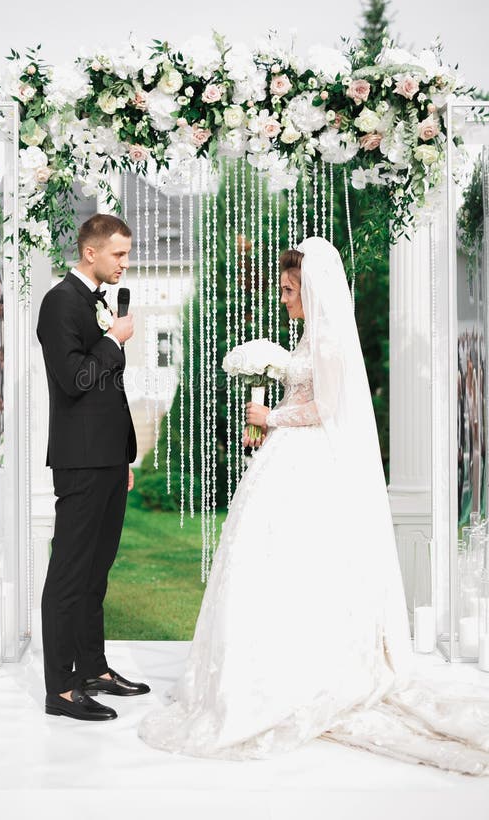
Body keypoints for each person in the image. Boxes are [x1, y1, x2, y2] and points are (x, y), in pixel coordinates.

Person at [139, 237, 489, 774]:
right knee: (268, 560)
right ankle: (258, 669)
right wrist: (272, 413)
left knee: (298, 560)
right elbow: (305, 396)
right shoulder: (309, 336)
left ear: (312, 289)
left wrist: (270, 418)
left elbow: (327, 407)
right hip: (288, 456)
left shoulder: (327, 341)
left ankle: (302, 671)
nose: (283, 298)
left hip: (310, 461)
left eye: (288, 290)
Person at [37, 213, 150, 722]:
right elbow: (75, 378)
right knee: (69, 573)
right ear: (90, 252)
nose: (125, 263)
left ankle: (93, 669)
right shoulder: (60, 302)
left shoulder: (96, 301)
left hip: (107, 459)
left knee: (96, 571)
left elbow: (108, 392)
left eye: (127, 254)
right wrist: (114, 340)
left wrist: (121, 456)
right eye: (118, 254)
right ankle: (60, 690)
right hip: (80, 462)